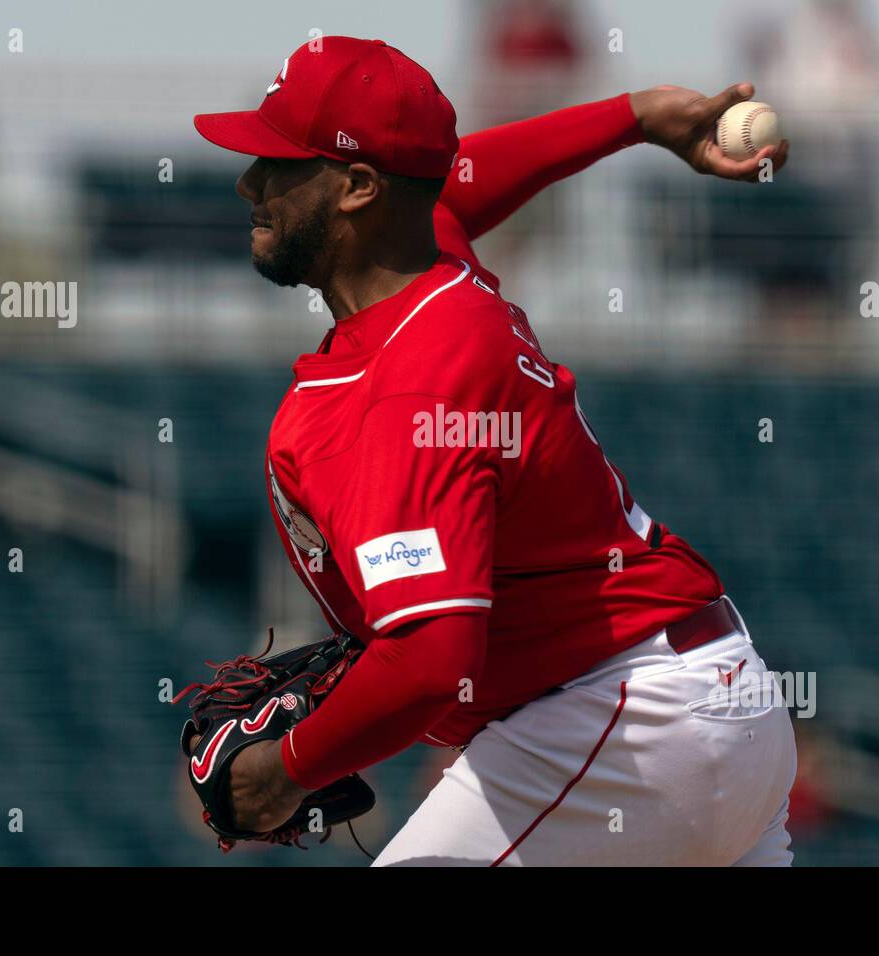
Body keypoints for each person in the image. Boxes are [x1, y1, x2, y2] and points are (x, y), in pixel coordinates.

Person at [192, 35, 795, 865]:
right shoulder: (433, 261)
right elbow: (462, 177)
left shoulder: (404, 391)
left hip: (620, 725)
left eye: (278, 164)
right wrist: (636, 118)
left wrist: (281, 773)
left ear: (359, 189)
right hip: (715, 705)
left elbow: (433, 660)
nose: (249, 183)